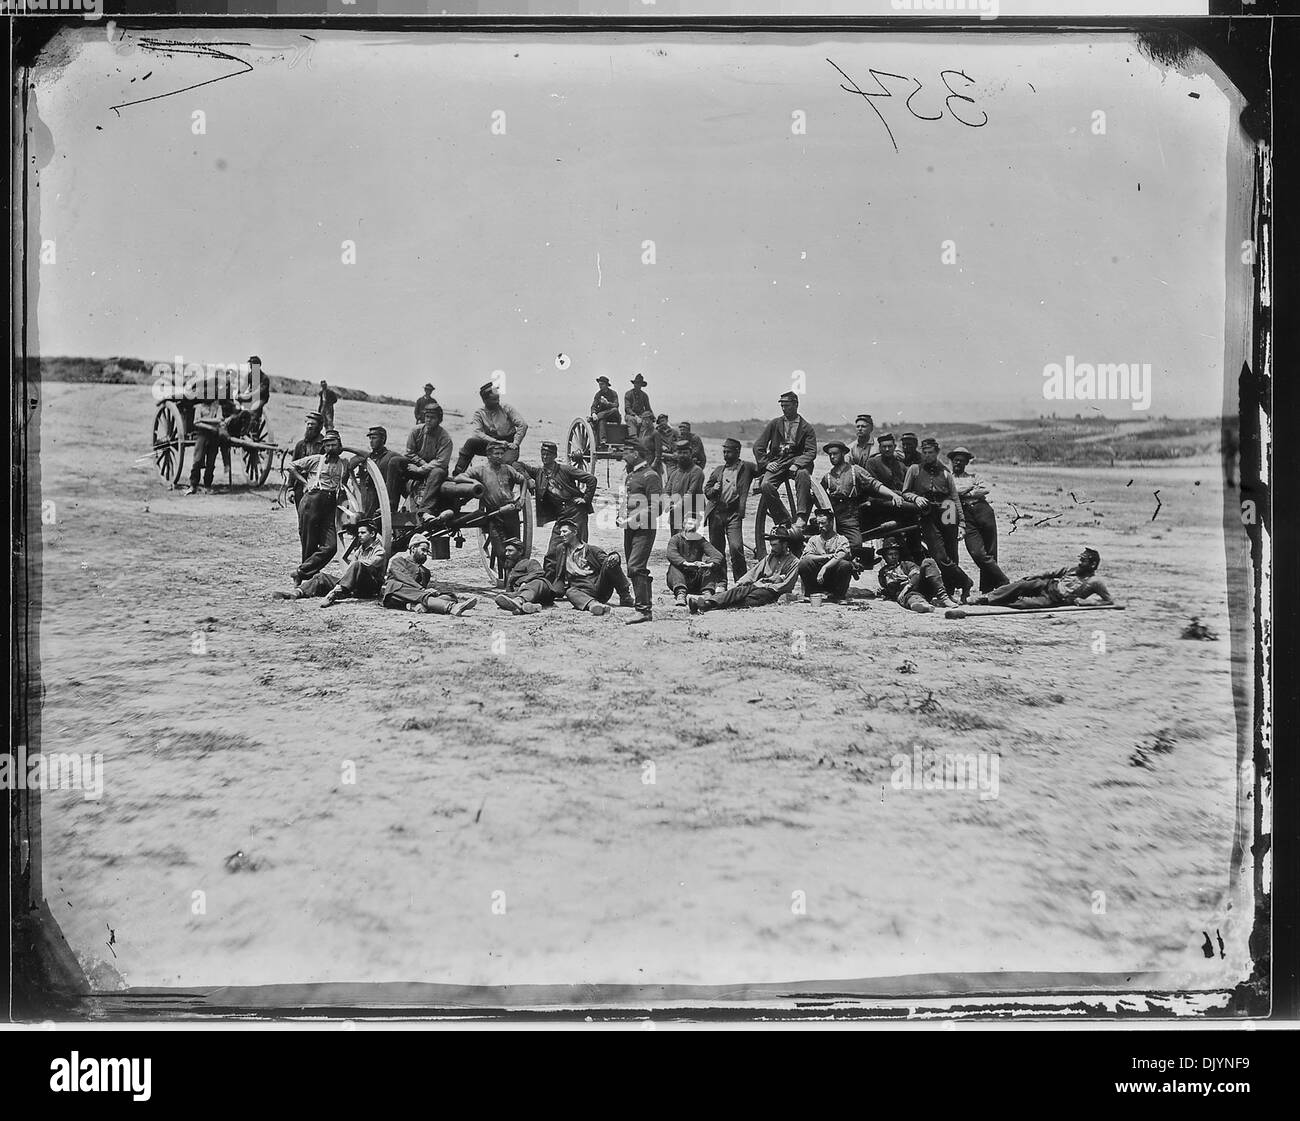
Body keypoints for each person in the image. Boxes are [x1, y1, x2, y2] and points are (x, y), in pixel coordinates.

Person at [902, 437, 974, 600]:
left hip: (948, 511)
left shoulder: (946, 473)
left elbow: (954, 498)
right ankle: (966, 581)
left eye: (931, 453)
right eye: (925, 452)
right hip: (928, 514)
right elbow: (905, 492)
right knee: (939, 556)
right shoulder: (914, 469)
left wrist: (962, 523)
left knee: (952, 554)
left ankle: (949, 593)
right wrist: (915, 498)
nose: (927, 456)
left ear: (937, 453)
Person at [819, 440, 913, 549]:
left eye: (835, 453)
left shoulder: (855, 471)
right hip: (833, 517)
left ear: (843, 453)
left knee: (855, 544)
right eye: (830, 454)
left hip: (850, 516)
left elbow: (875, 485)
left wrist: (893, 495)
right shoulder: (827, 477)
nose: (832, 457)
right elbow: (819, 495)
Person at [687, 525, 801, 613]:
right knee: (737, 591)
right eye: (771, 545)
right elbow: (754, 573)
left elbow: (787, 585)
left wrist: (765, 585)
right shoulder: (770, 558)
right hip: (758, 586)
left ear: (785, 544)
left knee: (748, 599)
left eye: (775, 545)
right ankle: (705, 603)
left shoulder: (793, 562)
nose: (772, 548)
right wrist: (740, 582)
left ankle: (707, 605)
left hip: (773, 592)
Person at [272, 521, 386, 605]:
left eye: (363, 533)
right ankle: (296, 593)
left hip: (369, 588)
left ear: (372, 534)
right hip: (353, 586)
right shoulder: (360, 550)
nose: (359, 535)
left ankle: (336, 593)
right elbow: (350, 569)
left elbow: (369, 564)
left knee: (357, 565)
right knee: (321, 577)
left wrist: (354, 568)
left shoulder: (379, 551)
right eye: (359, 533)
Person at [284, 429, 346, 584]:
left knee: (331, 546)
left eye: (334, 445)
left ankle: (300, 572)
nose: (331, 448)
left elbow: (363, 456)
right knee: (309, 542)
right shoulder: (316, 460)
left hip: (331, 503)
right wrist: (305, 483)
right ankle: (305, 580)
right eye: (328, 445)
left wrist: (346, 449)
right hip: (312, 501)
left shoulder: (344, 463)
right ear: (323, 446)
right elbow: (291, 466)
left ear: (339, 445)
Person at [518, 440, 597, 555]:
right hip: (561, 515)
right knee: (553, 551)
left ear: (555, 456)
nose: (545, 457)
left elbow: (591, 479)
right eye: (543, 454)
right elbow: (517, 465)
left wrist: (585, 499)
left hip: (576, 512)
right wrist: (528, 479)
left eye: (548, 454)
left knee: (577, 548)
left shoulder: (565, 470)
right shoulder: (539, 473)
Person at [752, 391, 817, 528]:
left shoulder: (806, 427)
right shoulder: (775, 424)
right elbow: (758, 446)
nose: (783, 408)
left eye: (787, 405)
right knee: (766, 485)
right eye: (782, 405)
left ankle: (801, 516)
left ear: (796, 405)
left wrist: (798, 464)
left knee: (803, 475)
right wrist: (766, 464)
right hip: (778, 461)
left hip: (796, 460)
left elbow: (811, 451)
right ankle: (783, 519)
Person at [948, 446, 1009, 592]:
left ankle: (987, 589)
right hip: (966, 516)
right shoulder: (948, 478)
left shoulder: (974, 477)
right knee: (977, 552)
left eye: (961, 461)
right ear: (951, 461)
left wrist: (963, 493)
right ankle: (1004, 581)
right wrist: (969, 489)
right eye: (956, 460)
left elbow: (984, 489)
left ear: (966, 463)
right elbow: (950, 493)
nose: (958, 463)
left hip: (984, 511)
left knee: (990, 551)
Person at [464, 442, 533, 570]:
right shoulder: (481, 471)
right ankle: (508, 582)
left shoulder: (507, 469)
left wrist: (522, 497)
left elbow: (522, 480)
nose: (500, 456)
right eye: (496, 454)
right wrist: (474, 484)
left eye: (502, 453)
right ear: (488, 455)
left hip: (511, 514)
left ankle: (512, 582)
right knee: (502, 552)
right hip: (494, 516)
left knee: (515, 550)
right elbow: (463, 477)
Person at [971, 548, 1113, 608]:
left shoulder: (1095, 582)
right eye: (1080, 559)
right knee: (1021, 585)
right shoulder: (1074, 568)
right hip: (1047, 585)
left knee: (1024, 604)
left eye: (1084, 561)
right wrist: (1034, 576)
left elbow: (1109, 601)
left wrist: (1088, 603)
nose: (1080, 563)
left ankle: (994, 602)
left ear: (1093, 564)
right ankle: (986, 598)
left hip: (1055, 599)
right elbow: (1051, 573)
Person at [704, 438, 757, 588]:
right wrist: (713, 490)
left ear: (737, 451)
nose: (725, 455)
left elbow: (762, 470)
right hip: (716, 513)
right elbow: (706, 491)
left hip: (734, 514)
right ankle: (721, 582)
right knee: (717, 550)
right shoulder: (718, 470)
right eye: (724, 452)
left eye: (728, 452)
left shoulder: (747, 467)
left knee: (736, 547)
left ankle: (741, 581)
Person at [381, 533, 477, 615]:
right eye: (423, 550)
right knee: (399, 587)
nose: (426, 554)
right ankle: (450, 607)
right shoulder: (398, 561)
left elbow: (422, 592)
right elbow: (404, 578)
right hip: (396, 595)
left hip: (416, 597)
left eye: (427, 551)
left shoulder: (425, 572)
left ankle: (420, 606)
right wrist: (423, 590)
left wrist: (431, 592)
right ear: (413, 548)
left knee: (450, 596)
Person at [552, 521, 635, 615]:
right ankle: (593, 605)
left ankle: (625, 596)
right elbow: (558, 572)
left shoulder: (592, 550)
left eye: (564, 531)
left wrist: (615, 556)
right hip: (581, 590)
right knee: (570, 592)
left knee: (611, 561)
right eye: (560, 532)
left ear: (574, 533)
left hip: (599, 586)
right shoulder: (561, 549)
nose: (561, 534)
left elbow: (607, 563)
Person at [621, 440, 661, 624]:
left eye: (626, 451)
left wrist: (631, 520)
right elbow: (626, 500)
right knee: (634, 567)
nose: (622, 455)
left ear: (636, 453)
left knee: (635, 566)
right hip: (629, 529)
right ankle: (645, 607)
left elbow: (657, 507)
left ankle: (643, 610)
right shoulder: (631, 475)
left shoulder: (650, 475)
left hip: (644, 529)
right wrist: (621, 517)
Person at [454, 381, 528, 474]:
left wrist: (516, 443)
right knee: (470, 443)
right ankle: (457, 474)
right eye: (494, 400)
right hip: (491, 444)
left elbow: (523, 425)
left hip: (509, 445)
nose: (497, 402)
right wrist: (496, 442)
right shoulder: (479, 413)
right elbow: (477, 433)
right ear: (485, 400)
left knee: (505, 465)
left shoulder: (506, 408)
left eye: (498, 398)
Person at [876, 538, 956, 613]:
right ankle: (922, 605)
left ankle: (943, 597)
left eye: (896, 554)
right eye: (890, 554)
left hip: (922, 588)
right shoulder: (883, 573)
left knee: (928, 561)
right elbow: (890, 590)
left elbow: (916, 575)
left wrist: (908, 585)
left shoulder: (906, 564)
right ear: (884, 556)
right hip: (907, 595)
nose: (894, 557)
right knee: (910, 597)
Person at [404, 401, 454, 517]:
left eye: (432, 417)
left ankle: (425, 511)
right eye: (427, 417)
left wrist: (421, 469)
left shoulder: (445, 438)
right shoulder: (416, 431)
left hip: (435, 471)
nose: (428, 420)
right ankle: (390, 505)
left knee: (437, 472)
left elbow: (441, 461)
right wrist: (421, 464)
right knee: (396, 462)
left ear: (439, 420)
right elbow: (409, 453)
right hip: (417, 467)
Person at [350, 425, 411, 517]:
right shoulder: (367, 458)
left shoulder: (392, 456)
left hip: (384, 495)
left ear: (383, 439)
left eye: (374, 438)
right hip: (367, 496)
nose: (371, 441)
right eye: (370, 438)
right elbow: (360, 478)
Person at [797, 509, 855, 602]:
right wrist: (823, 557)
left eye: (823, 523)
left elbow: (841, 555)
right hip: (817, 578)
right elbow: (807, 556)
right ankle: (811, 593)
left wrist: (825, 567)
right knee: (804, 563)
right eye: (818, 523)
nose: (820, 526)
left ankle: (838, 596)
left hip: (834, 578)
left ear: (831, 523)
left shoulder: (841, 539)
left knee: (845, 565)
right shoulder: (813, 540)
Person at [666, 515, 723, 607]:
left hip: (696, 577)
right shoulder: (675, 539)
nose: (692, 526)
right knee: (674, 567)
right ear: (684, 525)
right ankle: (681, 594)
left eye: (695, 525)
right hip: (679, 577)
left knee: (711, 566)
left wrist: (709, 564)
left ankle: (707, 593)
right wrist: (686, 564)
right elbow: (671, 554)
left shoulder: (700, 540)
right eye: (689, 523)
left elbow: (717, 555)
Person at [494, 537, 556, 614]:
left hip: (541, 592)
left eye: (510, 551)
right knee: (500, 597)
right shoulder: (510, 571)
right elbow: (509, 591)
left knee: (537, 582)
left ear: (520, 551)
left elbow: (539, 572)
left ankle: (520, 601)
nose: (506, 554)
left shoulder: (529, 562)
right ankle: (531, 607)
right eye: (506, 551)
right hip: (525, 595)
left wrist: (524, 582)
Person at [664, 439, 706, 534]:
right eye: (680, 453)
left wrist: (676, 506)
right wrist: (668, 503)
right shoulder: (675, 473)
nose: (682, 455)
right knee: (676, 542)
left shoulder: (697, 471)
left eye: (685, 452)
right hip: (675, 514)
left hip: (692, 514)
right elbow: (667, 492)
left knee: (690, 543)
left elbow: (690, 493)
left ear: (691, 454)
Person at [185, 397, 223, 494]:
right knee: (197, 460)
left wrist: (202, 420)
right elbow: (196, 422)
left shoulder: (218, 407)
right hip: (202, 436)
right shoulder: (199, 408)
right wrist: (210, 426)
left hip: (214, 437)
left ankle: (207, 486)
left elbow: (219, 419)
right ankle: (193, 485)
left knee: (211, 462)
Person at [624, 374, 654, 439]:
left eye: (639, 384)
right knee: (631, 419)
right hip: (631, 415)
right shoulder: (628, 394)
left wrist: (653, 418)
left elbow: (648, 408)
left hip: (641, 416)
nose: (637, 385)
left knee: (647, 421)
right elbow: (627, 408)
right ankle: (634, 438)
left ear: (641, 385)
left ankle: (646, 439)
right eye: (636, 383)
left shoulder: (644, 395)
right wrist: (635, 416)